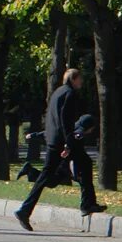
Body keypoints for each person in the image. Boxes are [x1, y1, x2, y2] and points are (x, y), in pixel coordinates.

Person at [15, 69, 104, 231]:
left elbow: (52, 118)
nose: (82, 82)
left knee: (51, 175)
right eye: (80, 79)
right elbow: (65, 120)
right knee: (80, 165)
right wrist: (68, 143)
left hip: (54, 139)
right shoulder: (70, 94)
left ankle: (25, 210)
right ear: (74, 79)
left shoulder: (58, 92)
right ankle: (87, 204)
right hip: (61, 140)